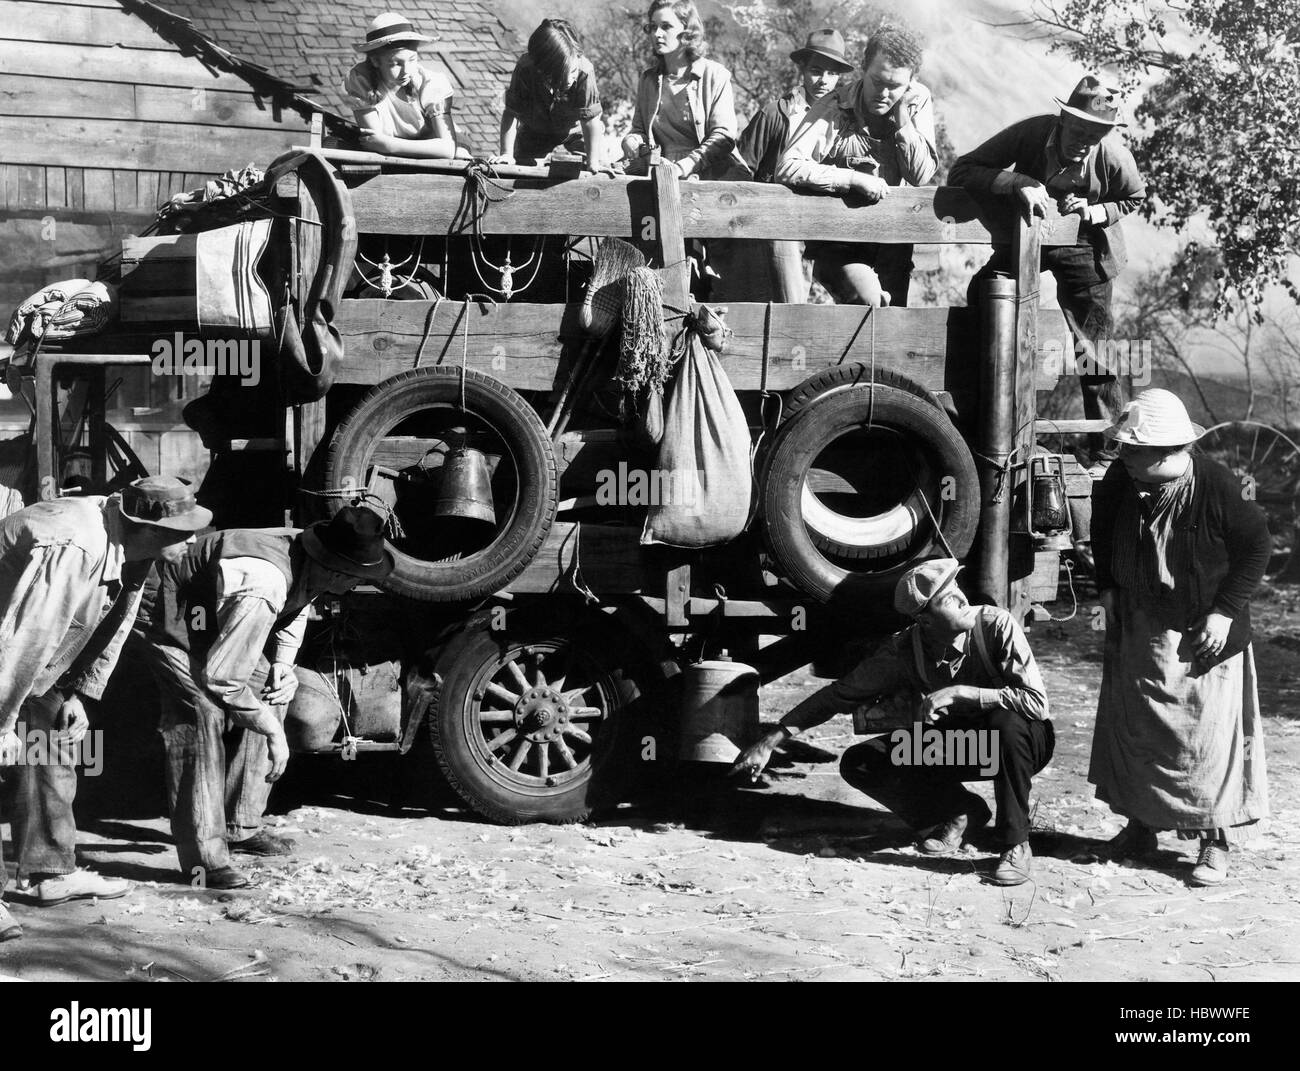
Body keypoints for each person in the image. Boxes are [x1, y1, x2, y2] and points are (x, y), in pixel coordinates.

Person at [732, 558, 1054, 886]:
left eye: (956, 587)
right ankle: (957, 813)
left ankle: (1015, 842)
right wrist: (769, 741)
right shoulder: (904, 651)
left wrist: (961, 693)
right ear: (923, 621)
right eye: (946, 599)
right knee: (864, 762)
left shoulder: (996, 625)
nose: (960, 598)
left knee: (1006, 723)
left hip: (1026, 743)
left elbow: (1036, 703)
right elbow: (838, 696)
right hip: (970, 748)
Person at [130, 506, 395, 889]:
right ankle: (205, 862)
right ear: (337, 570)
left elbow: (299, 603)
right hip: (167, 606)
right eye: (355, 578)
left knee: (273, 690)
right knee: (199, 712)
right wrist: (274, 732)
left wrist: (283, 666)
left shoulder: (313, 559)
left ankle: (240, 824)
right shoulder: (266, 581)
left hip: (215, 612)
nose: (355, 586)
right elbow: (223, 680)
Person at [0, 477, 211, 940]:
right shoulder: (76, 546)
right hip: (10, 644)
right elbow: (26, 634)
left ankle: (49, 873)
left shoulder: (133, 547)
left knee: (50, 744)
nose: (193, 539)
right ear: (147, 529)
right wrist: (1, 721)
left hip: (38, 653)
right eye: (182, 531)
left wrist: (77, 690)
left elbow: (108, 623)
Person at [1088, 389, 1270, 886]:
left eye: (1133, 450)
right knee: (1140, 729)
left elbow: (1257, 547)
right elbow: (1101, 534)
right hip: (1141, 621)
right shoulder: (1118, 481)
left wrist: (1225, 613)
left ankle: (1214, 841)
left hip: (1203, 631)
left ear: (1169, 452)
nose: (1122, 456)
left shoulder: (1215, 484)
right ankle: (1140, 826)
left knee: (1205, 739)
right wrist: (1105, 588)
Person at [948, 76, 1146, 459]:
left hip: (1085, 247)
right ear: (1062, 118)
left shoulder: (1114, 156)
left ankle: (1107, 455)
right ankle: (976, 426)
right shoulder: (1031, 133)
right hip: (1027, 237)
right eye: (1079, 129)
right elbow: (964, 170)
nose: (1084, 141)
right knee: (984, 298)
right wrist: (1016, 181)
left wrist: (1095, 211)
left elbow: (1134, 197)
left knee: (1094, 347)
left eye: (1096, 134)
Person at [774, 26, 938, 307]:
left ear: (911, 82)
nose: (884, 93)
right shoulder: (834, 107)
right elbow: (788, 166)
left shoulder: (916, 101)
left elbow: (920, 175)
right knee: (871, 306)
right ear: (863, 68)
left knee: (891, 329)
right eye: (877, 81)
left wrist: (903, 121)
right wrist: (851, 178)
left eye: (895, 86)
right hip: (839, 246)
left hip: (892, 244)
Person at [715, 28, 856, 303]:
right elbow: (741, 170)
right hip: (774, 227)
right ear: (802, 69)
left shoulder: (845, 120)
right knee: (783, 301)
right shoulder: (776, 114)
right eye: (816, 70)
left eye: (832, 73)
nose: (823, 80)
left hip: (824, 228)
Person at [618, 1, 737, 181]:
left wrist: (683, 167)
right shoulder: (648, 80)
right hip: (662, 171)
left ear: (687, 31)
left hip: (713, 175)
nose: (657, 34)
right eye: (652, 27)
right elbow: (640, 130)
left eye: (666, 27)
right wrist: (632, 141)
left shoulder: (715, 75)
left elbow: (724, 137)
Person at [344, 11, 466, 159]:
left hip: (435, 146)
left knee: (460, 156)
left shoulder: (430, 83)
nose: (406, 71)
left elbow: (447, 149)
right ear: (376, 61)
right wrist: (385, 145)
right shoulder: (361, 80)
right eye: (396, 64)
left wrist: (390, 145)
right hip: (402, 153)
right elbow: (374, 141)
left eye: (412, 59)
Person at [492, 19, 603, 168]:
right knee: (520, 171)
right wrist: (506, 154)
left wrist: (593, 162)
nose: (570, 80)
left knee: (595, 169)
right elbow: (511, 113)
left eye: (573, 72)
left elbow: (590, 121)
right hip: (534, 130)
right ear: (543, 70)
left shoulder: (585, 71)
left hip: (576, 130)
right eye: (563, 75)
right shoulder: (526, 68)